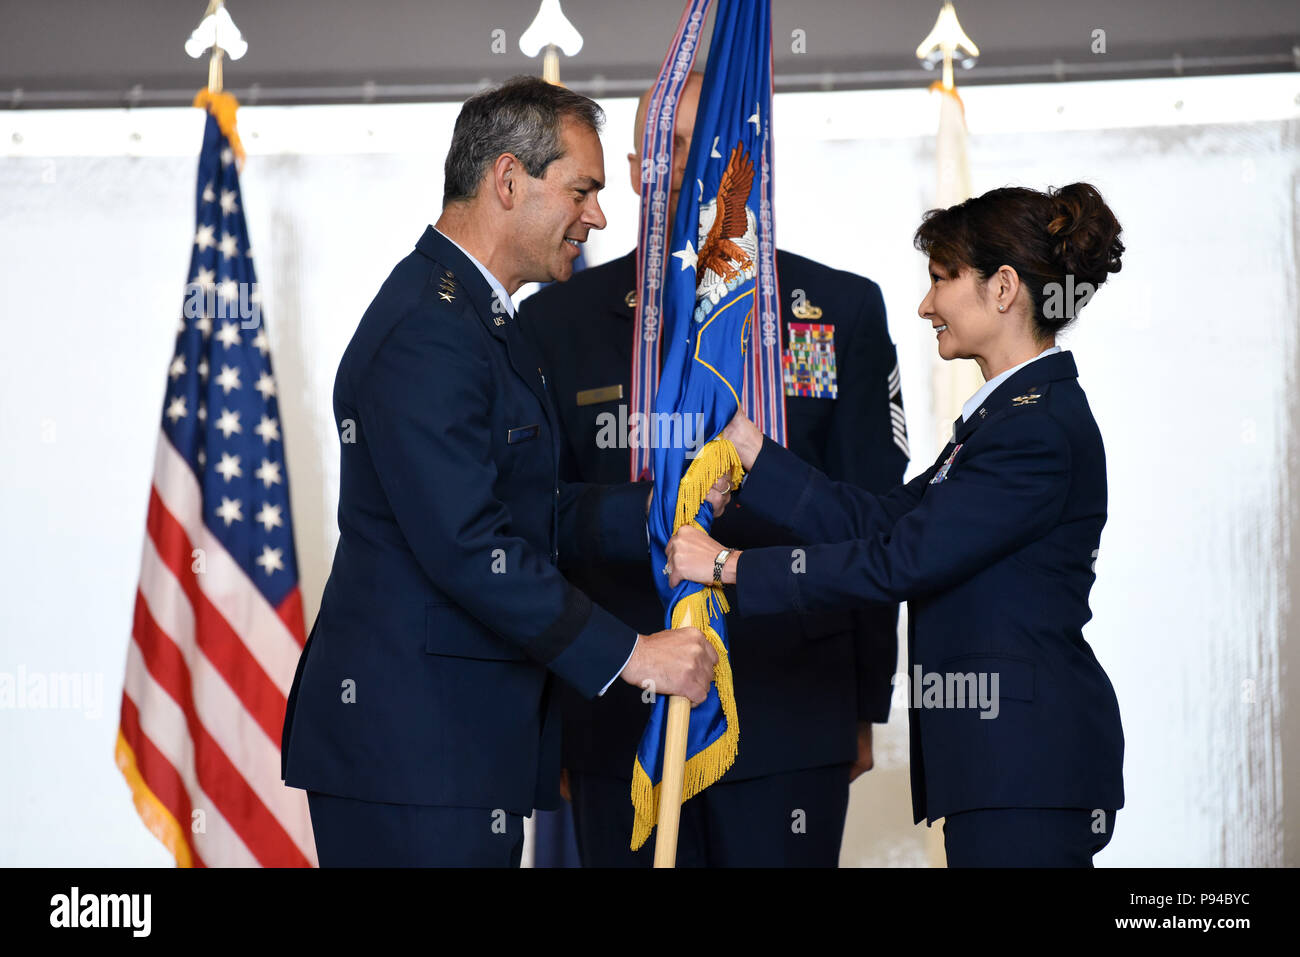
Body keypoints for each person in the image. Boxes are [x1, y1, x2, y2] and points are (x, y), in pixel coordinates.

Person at [280, 76, 728, 867]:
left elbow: (527, 508)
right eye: (583, 189)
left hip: (454, 744)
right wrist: (635, 655)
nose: (598, 215)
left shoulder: (477, 317)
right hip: (412, 751)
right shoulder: (430, 329)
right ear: (509, 180)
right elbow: (468, 544)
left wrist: (661, 509)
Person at [666, 182, 1127, 867]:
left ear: (1003, 288)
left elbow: (896, 561)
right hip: (1005, 768)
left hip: (1024, 766)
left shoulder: (1036, 428)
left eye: (942, 279)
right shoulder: (1006, 418)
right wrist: (750, 448)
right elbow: (881, 517)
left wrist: (728, 566)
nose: (925, 304)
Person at [516, 73, 909, 866]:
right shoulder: (555, 319)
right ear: (636, 169)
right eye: (672, 146)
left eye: (720, 142)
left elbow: (876, 521)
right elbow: (534, 522)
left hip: (792, 707)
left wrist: (865, 699)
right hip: (618, 715)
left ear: (754, 161)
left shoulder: (839, 309)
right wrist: (549, 720)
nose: (696, 166)